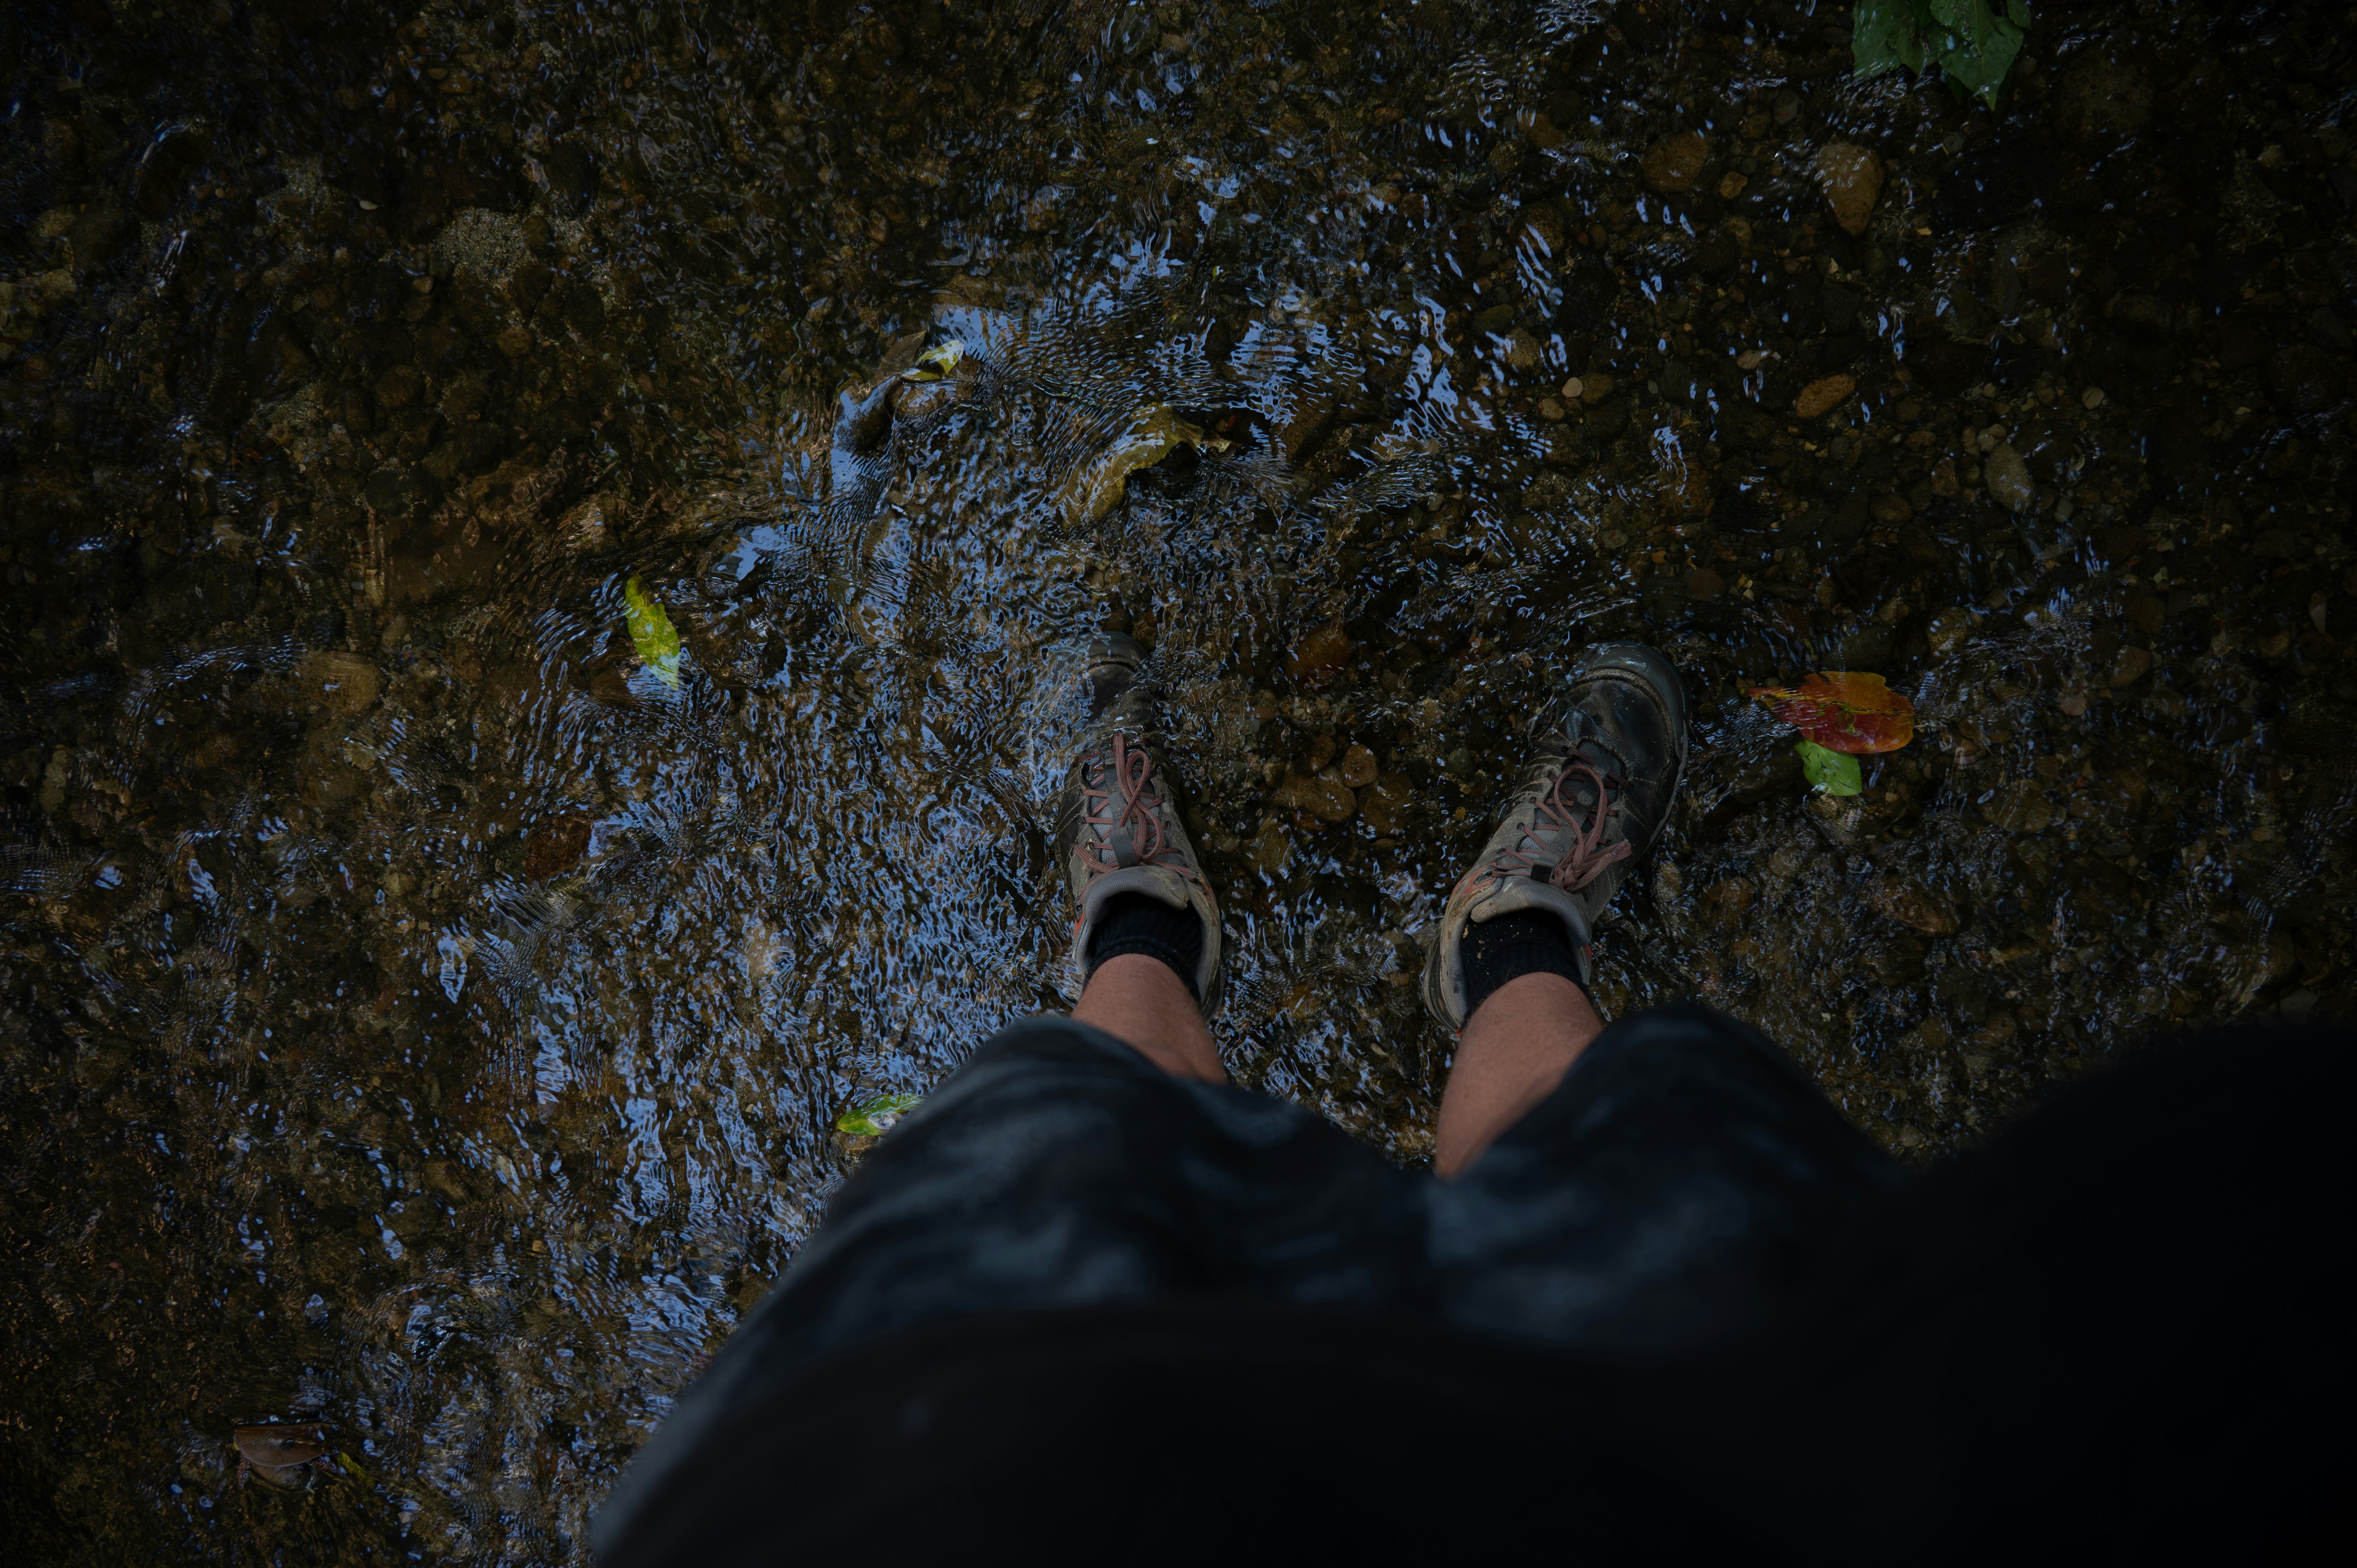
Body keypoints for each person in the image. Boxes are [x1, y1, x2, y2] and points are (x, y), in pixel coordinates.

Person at [593, 639, 2344, 1564]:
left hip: (938, 1470)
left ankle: (1142, 935)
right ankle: (1515, 938)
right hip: (1758, 1461)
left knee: (1067, 1126)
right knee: (1624, 1156)